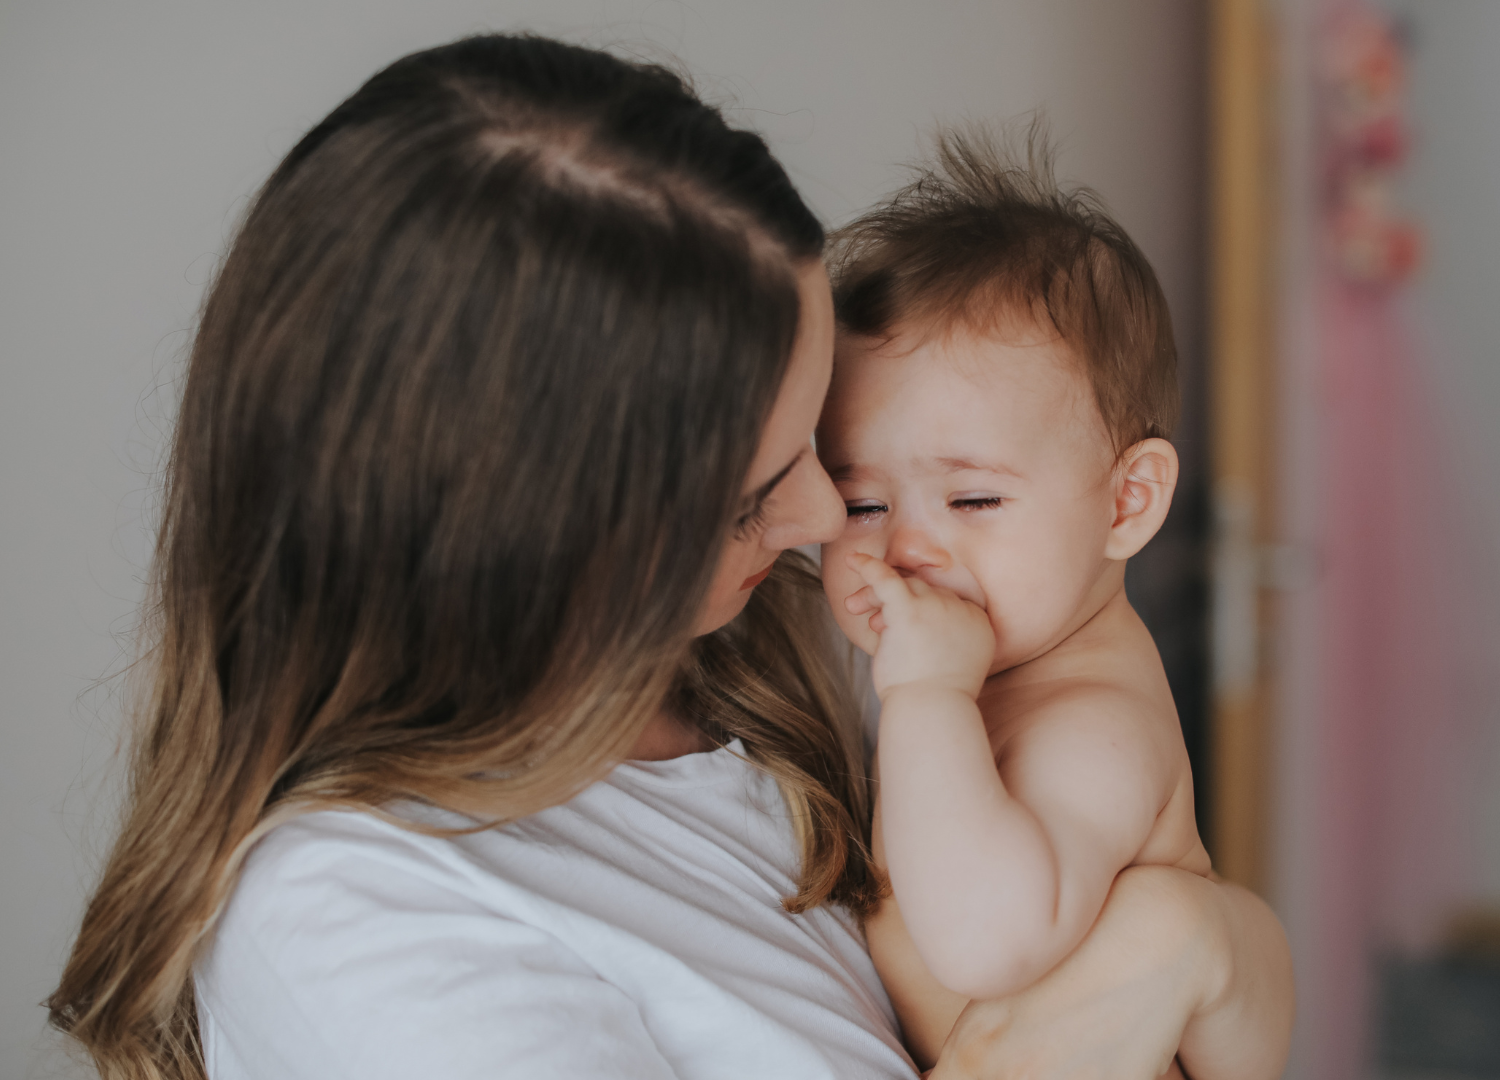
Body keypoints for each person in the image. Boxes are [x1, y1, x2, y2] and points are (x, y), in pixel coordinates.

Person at [47, 35, 1293, 1080]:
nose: (821, 524)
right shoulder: (359, 920)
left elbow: (1203, 946)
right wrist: (1170, 955)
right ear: (535, 545)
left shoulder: (791, 651)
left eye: (816, 447)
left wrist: (1196, 941)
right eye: (761, 494)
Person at [817, 129, 1282, 1077]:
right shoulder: (997, 674)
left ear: (1126, 503)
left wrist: (926, 700)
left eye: (974, 498)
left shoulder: (1094, 727)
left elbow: (985, 946)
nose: (906, 546)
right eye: (861, 502)